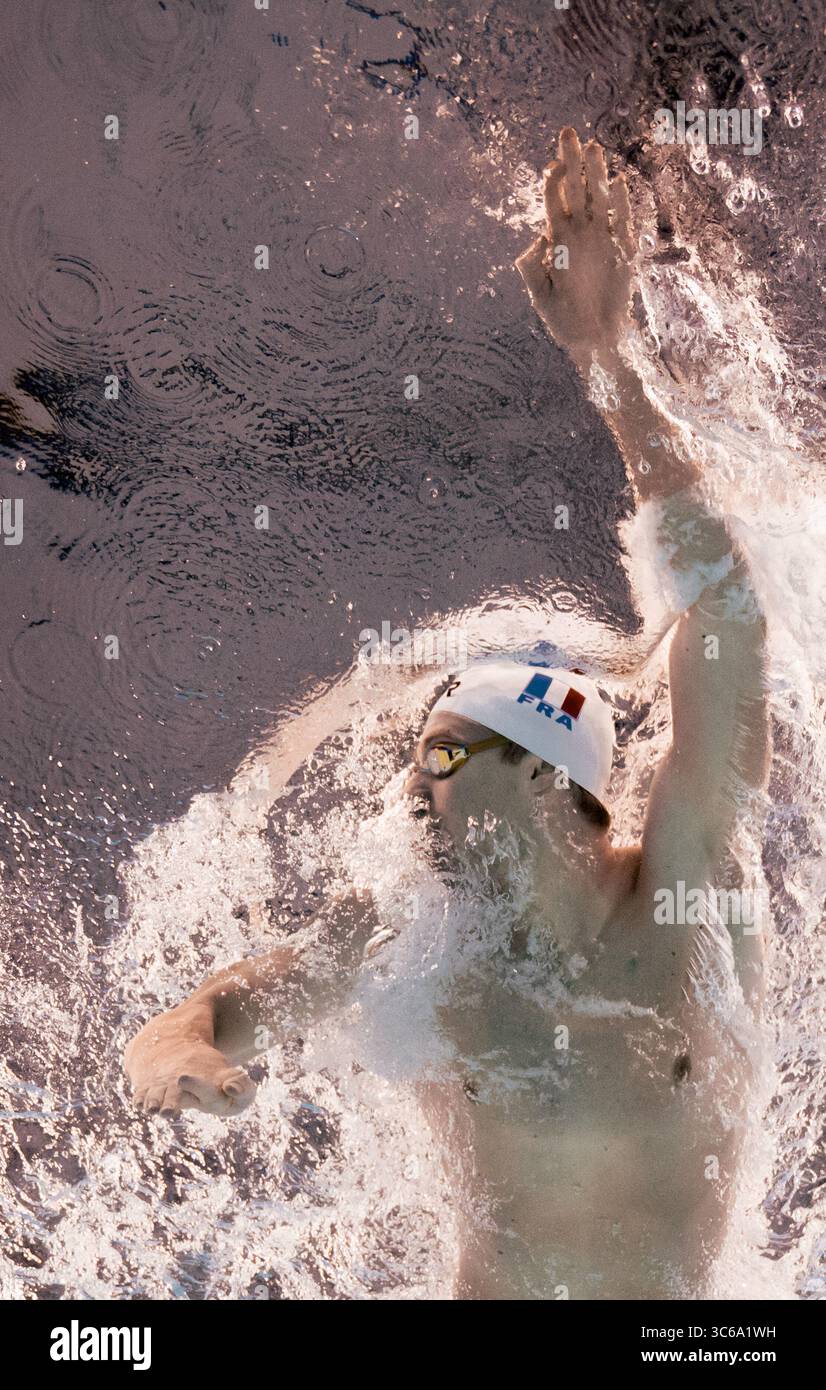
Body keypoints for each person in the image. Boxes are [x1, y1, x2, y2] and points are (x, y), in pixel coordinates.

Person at [124, 129, 770, 1299]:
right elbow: (217, 1006)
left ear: (537, 769)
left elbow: (726, 623)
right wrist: (185, 1059)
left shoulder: (684, 882)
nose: (406, 796)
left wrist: (606, 363)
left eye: (435, 759)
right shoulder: (411, 936)